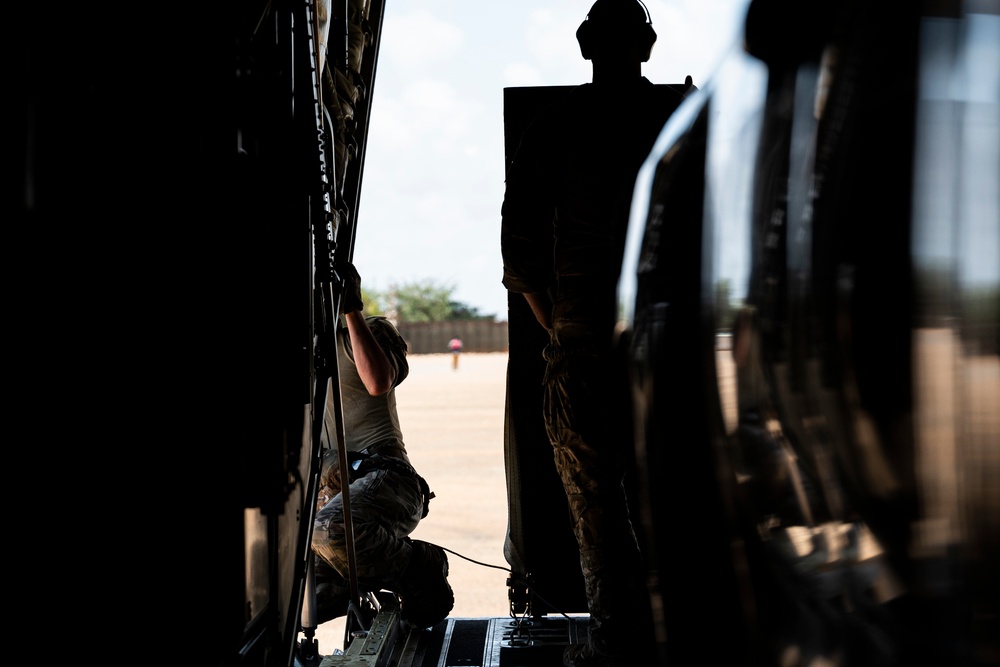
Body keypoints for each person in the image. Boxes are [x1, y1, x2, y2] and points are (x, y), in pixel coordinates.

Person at [500, 1, 686, 664]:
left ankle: (617, 641)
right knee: (676, 495)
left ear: (585, 45)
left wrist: (564, 327)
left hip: (583, 339)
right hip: (668, 340)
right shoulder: (681, 118)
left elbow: (520, 253)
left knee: (596, 506)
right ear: (649, 45)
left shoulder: (555, 125)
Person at [311, 261, 455, 632]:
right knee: (296, 595)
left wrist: (351, 311)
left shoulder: (368, 331)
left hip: (385, 476)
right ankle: (373, 581)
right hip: (331, 488)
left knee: (330, 528)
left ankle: (418, 567)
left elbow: (378, 381)